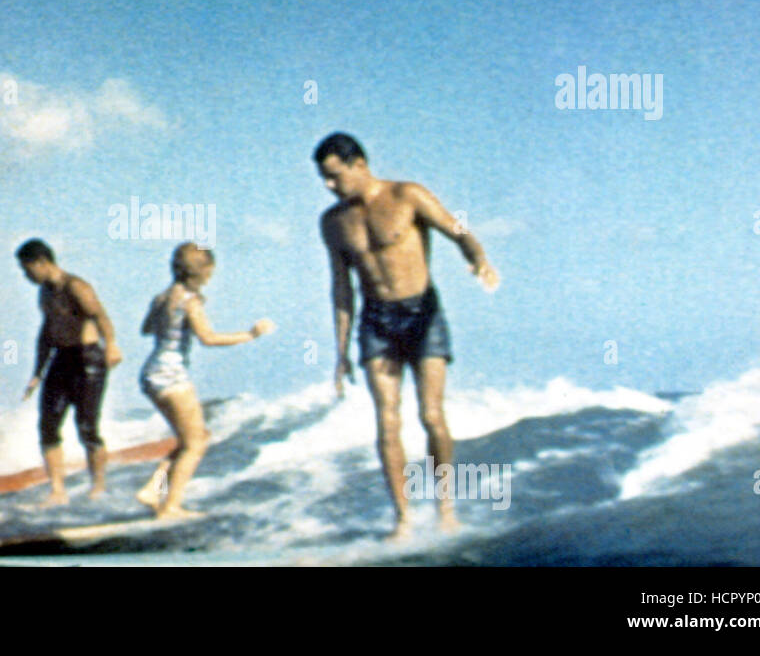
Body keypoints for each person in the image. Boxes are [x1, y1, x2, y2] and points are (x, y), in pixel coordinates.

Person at [315, 132, 499, 537]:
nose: (329, 186)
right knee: (387, 422)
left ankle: (445, 509)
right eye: (323, 180)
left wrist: (478, 259)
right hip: (375, 320)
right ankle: (402, 519)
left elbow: (457, 229)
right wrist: (340, 350)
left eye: (334, 176)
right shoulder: (333, 223)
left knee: (431, 415)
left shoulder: (407, 196)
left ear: (359, 165)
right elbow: (341, 288)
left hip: (422, 314)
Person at [134, 243, 274, 519]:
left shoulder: (162, 298)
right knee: (196, 444)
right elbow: (208, 338)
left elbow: (146, 329)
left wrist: (172, 321)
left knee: (190, 439)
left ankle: (153, 489)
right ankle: (171, 506)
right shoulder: (189, 301)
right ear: (204, 270)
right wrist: (251, 334)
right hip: (172, 376)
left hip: (151, 374)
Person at [16, 238, 122, 506]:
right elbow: (47, 333)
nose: (25, 275)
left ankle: (98, 486)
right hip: (61, 360)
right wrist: (37, 373)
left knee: (87, 427)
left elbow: (101, 317)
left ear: (41, 262)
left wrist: (111, 345)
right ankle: (57, 490)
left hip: (87, 359)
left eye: (26, 269)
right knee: (47, 426)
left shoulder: (76, 286)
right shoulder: (45, 293)